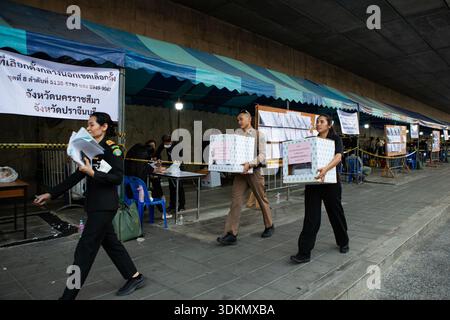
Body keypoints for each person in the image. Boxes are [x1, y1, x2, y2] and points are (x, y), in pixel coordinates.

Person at [34, 112, 145, 299]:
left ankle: (68, 296)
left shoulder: (113, 149)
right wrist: (51, 194)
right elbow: (76, 176)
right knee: (111, 244)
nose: (89, 128)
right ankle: (134, 276)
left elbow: (117, 178)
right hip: (94, 205)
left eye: (92, 124)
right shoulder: (89, 149)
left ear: (104, 127)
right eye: (88, 125)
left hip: (104, 206)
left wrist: (92, 173)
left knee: (84, 251)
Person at [290, 114, 349, 264]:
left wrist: (326, 169)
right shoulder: (312, 140)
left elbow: (338, 157)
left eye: (322, 122)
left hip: (331, 182)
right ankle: (304, 252)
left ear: (329, 125)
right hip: (314, 183)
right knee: (311, 217)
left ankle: (343, 242)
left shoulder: (335, 139)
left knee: (335, 213)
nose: (318, 124)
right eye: (317, 122)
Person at [217, 109, 274, 246]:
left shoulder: (259, 135)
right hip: (240, 173)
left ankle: (269, 225)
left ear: (249, 119)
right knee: (235, 201)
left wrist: (250, 164)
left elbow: (262, 155)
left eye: (241, 119)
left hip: (254, 171)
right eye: (238, 120)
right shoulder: (236, 134)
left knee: (261, 199)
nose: (239, 122)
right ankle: (231, 234)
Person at [156, 134, 185, 213]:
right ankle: (172, 205)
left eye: (168, 144)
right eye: (165, 144)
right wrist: (158, 159)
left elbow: (180, 158)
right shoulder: (164, 144)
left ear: (171, 141)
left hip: (179, 167)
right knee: (171, 187)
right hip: (171, 167)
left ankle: (182, 205)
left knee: (179, 187)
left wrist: (174, 165)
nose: (166, 145)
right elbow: (157, 152)